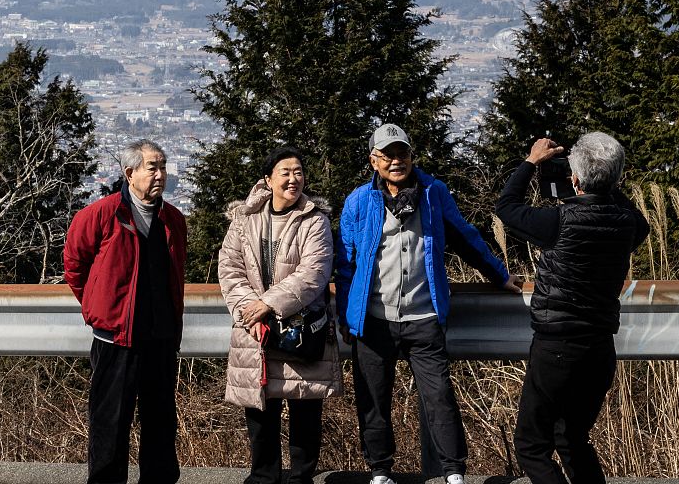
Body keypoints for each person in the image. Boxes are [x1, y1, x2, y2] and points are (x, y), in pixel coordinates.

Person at [336, 123, 518, 484]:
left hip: (424, 315)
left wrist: (499, 274)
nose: (395, 161)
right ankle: (380, 470)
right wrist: (346, 312)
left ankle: (453, 472)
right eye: (387, 155)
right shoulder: (359, 201)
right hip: (373, 317)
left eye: (401, 153)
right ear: (373, 161)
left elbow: (465, 237)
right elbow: (346, 263)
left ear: (411, 155)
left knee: (440, 398)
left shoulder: (434, 193)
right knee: (373, 400)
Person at [495, 132, 650, 484]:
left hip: (557, 347)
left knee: (532, 445)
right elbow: (632, 215)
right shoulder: (629, 225)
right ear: (617, 178)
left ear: (574, 180)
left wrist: (531, 162)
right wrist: (606, 181)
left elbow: (506, 207)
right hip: (599, 349)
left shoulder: (557, 222)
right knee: (573, 438)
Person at [65, 140, 188, 484]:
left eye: (163, 166)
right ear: (130, 173)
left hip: (161, 338)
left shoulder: (174, 220)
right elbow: (75, 267)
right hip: (115, 338)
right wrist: (99, 307)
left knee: (162, 421)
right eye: (153, 167)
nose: (160, 174)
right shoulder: (101, 214)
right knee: (109, 421)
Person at [218, 146, 338, 484]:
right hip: (255, 330)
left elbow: (314, 272)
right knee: (260, 411)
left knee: (305, 411)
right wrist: (251, 313)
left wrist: (268, 305)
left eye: (298, 171)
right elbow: (230, 269)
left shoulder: (315, 220)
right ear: (268, 179)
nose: (293, 179)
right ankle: (263, 477)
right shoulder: (245, 218)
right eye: (285, 172)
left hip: (299, 328)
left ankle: (301, 478)